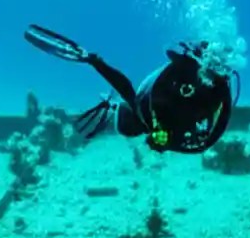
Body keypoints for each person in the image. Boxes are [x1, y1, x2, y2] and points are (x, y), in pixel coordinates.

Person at [23, 24, 238, 154]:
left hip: (180, 106)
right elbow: (129, 89)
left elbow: (205, 140)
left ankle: (114, 107)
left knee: (137, 111)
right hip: (172, 101)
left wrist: (96, 62)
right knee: (137, 112)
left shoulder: (151, 117)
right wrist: (96, 62)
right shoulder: (152, 111)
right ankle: (114, 107)